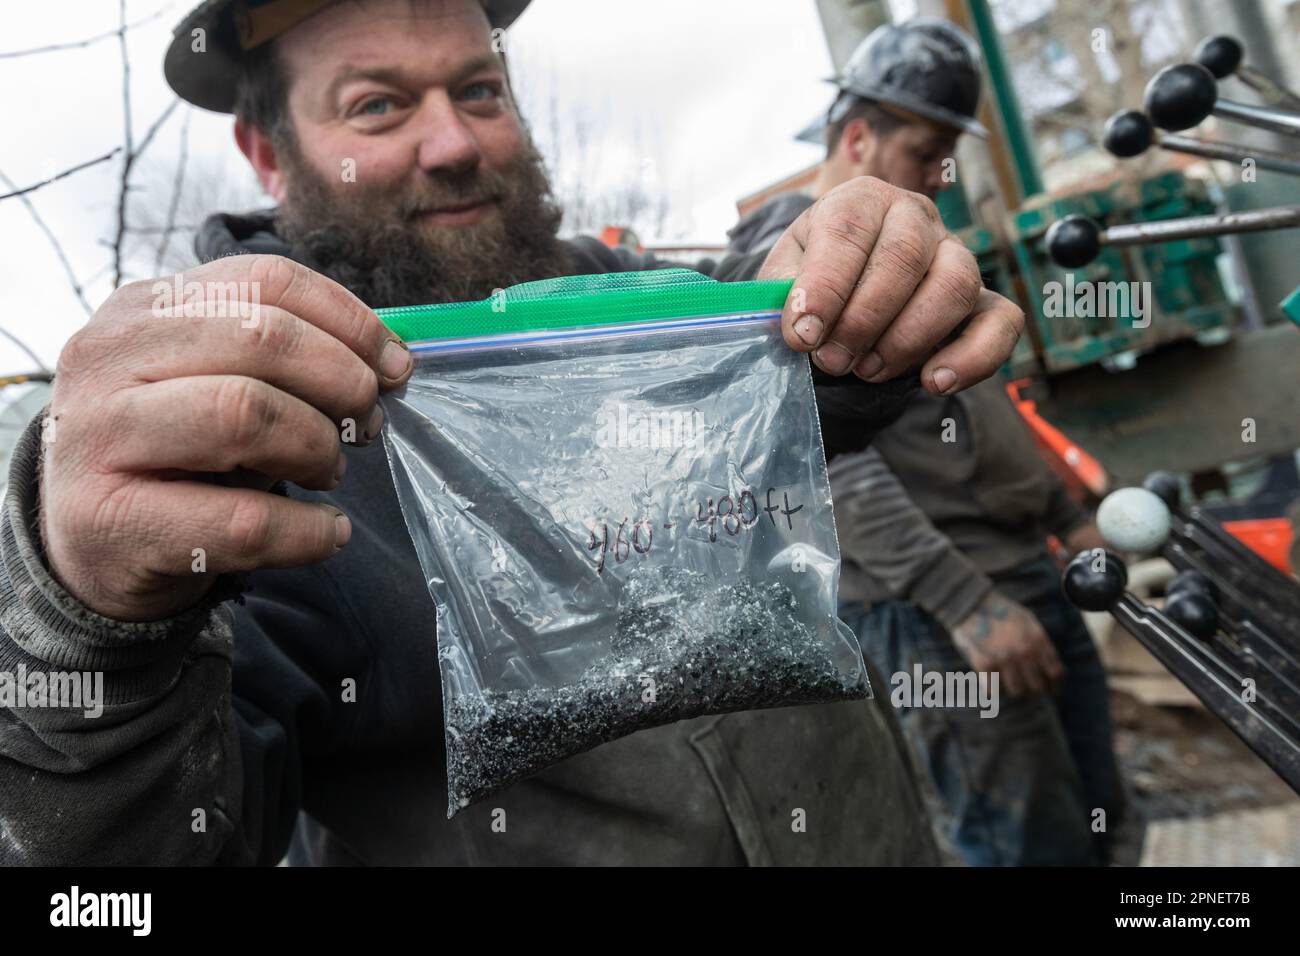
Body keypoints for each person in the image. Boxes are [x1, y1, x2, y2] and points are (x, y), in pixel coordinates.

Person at [0, 0, 1025, 865]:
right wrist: (85, 615)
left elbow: (784, 366)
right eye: (379, 105)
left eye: (479, 90)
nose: (454, 143)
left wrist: (862, 307)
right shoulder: (234, 453)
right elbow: (128, 853)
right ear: (269, 153)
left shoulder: (628, 311)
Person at [730, 19, 1124, 866]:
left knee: (1098, 820)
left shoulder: (914, 257)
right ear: (860, 135)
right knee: (1025, 844)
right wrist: (965, 602)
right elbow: (820, 466)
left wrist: (1070, 514)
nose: (940, 179)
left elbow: (985, 410)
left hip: (1016, 572)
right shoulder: (794, 263)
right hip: (932, 604)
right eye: (927, 153)